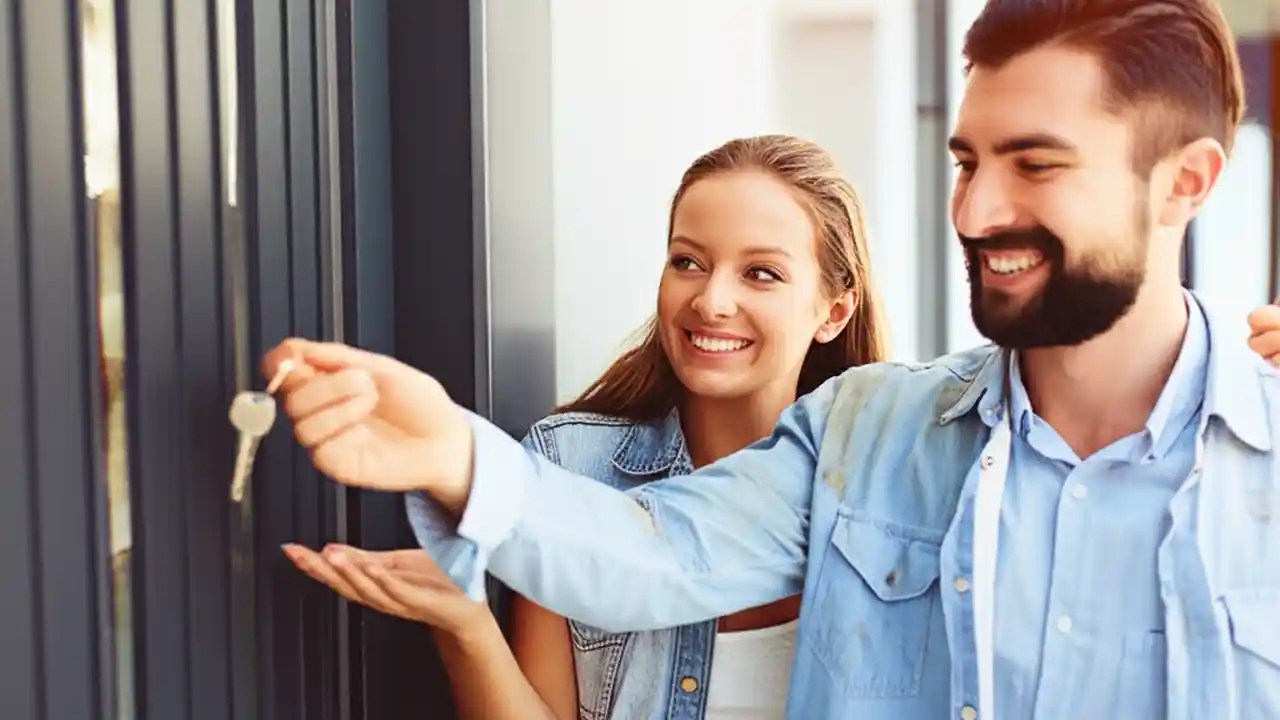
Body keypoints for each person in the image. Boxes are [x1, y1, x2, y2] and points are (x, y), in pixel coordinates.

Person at [267, 1, 1280, 717]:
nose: (974, 211)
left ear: (1183, 182)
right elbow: (645, 552)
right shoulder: (870, 431)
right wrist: (450, 447)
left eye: (1035, 164)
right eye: (966, 161)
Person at [281, 135, 890, 719]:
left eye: (761, 273)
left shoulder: (883, 493)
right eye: (688, 262)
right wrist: (463, 623)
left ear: (834, 311)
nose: (711, 301)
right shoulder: (571, 465)